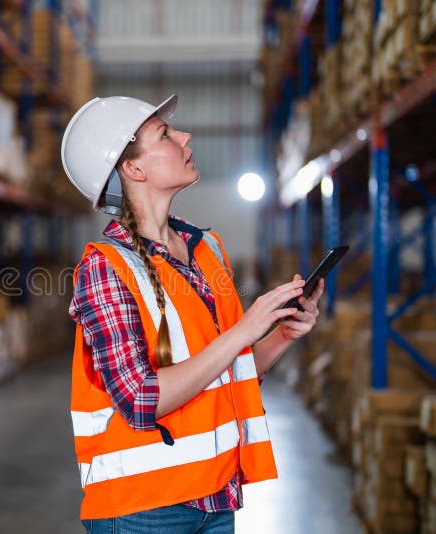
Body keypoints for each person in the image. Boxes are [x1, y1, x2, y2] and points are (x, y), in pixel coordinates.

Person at [62, 95, 325, 533]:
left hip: (216, 496)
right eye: (164, 135)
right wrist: (244, 330)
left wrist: (280, 336)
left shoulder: (207, 249)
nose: (184, 136)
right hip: (144, 510)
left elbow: (225, 374)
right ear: (134, 170)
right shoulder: (104, 268)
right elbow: (140, 400)